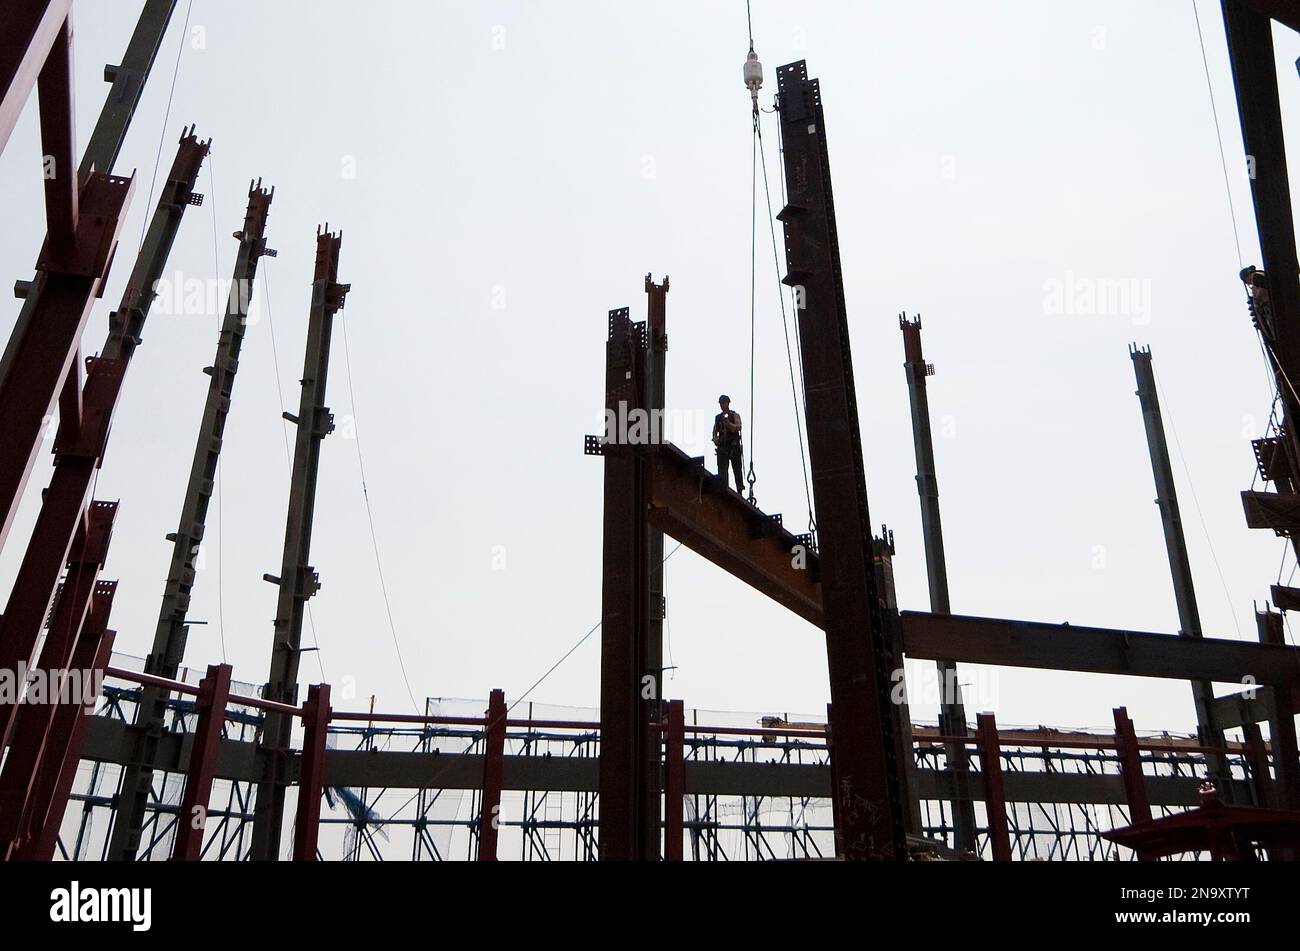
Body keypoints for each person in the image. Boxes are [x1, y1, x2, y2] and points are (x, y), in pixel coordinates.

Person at [713, 394, 744, 493]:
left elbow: (738, 427)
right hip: (723, 447)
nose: (722, 405)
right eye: (721, 403)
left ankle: (739, 489)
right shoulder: (718, 418)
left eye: (724, 403)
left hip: (733, 446)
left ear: (728, 403)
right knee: (722, 471)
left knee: (737, 469)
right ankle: (723, 489)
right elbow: (714, 432)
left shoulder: (734, 415)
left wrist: (728, 423)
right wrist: (716, 439)